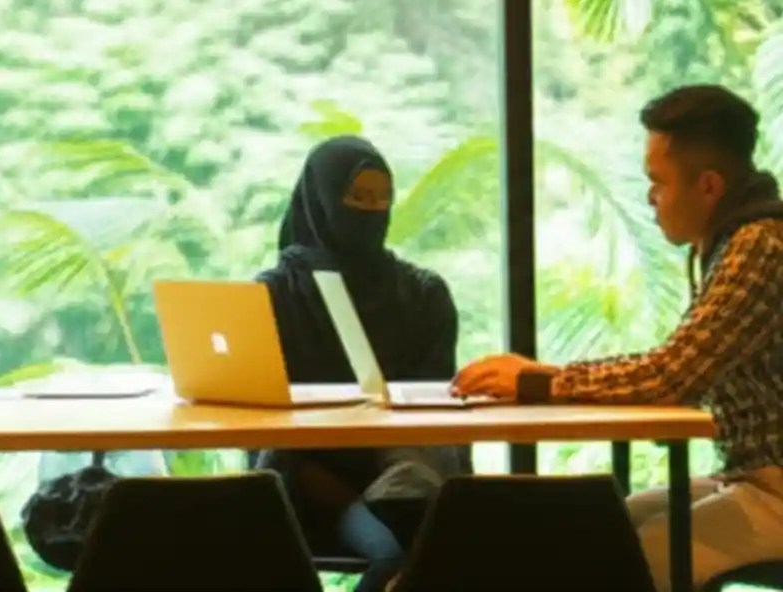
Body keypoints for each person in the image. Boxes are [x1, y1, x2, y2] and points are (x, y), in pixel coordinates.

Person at [453, 84, 783, 592]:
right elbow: (676, 365)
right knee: (612, 524)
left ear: (709, 186)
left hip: (775, 488)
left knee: (634, 554)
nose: (651, 197)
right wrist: (543, 378)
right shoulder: (733, 240)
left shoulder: (757, 245)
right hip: (755, 480)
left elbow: (671, 375)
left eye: (658, 181)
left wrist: (540, 382)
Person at [253, 135, 470, 592]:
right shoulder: (276, 294)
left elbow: (432, 410)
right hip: (306, 481)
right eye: (356, 197)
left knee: (414, 533)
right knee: (399, 550)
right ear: (322, 201)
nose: (370, 212)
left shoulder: (422, 295)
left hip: (402, 478)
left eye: (381, 198)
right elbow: (262, 416)